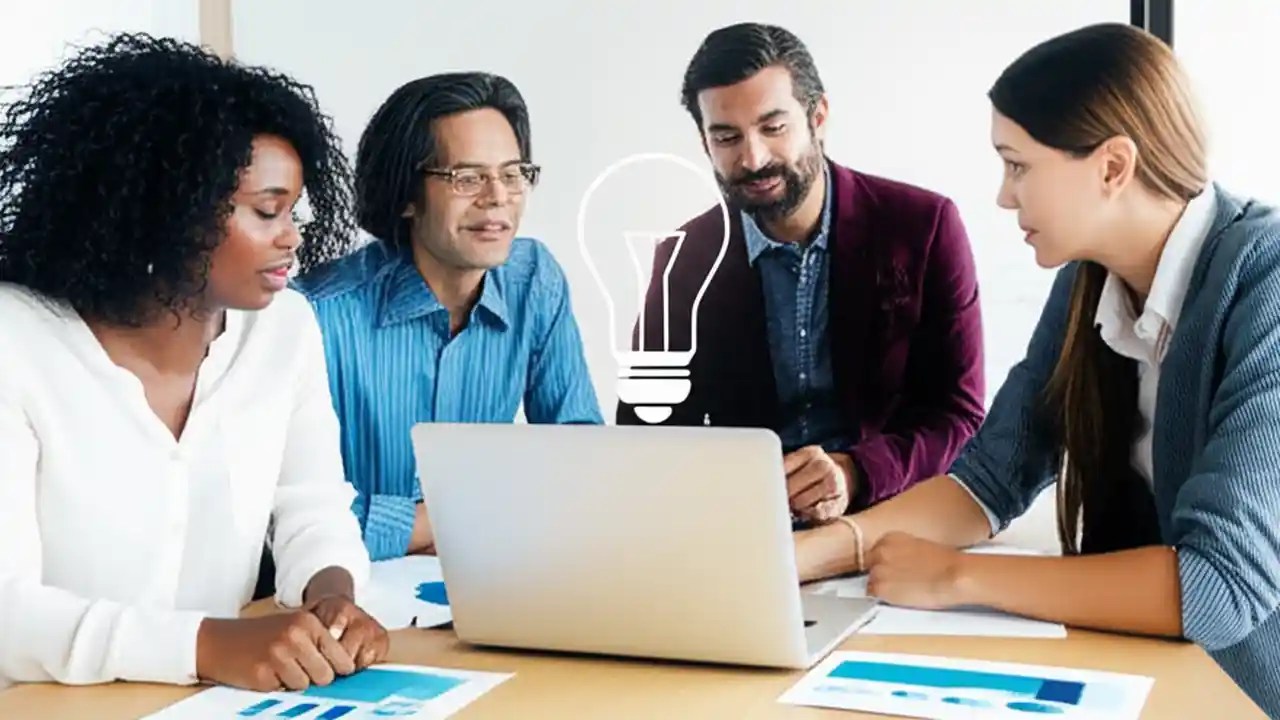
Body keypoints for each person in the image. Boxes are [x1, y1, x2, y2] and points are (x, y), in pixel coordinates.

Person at [793, 23, 1280, 715]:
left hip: (1241, 694)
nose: (1003, 195)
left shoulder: (1265, 283)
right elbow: (987, 482)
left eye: (1018, 165)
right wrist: (803, 560)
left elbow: (1217, 589)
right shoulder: (1090, 281)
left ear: (1113, 166)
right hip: (1139, 674)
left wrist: (957, 578)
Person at [0, 33, 388, 692]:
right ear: (165, 211)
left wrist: (333, 595)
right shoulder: (17, 340)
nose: (292, 236)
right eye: (267, 211)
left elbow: (314, 509)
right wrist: (207, 643)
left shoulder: (285, 329)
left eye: (295, 209)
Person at [617, 23, 985, 524]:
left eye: (774, 127)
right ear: (705, 144)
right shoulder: (682, 258)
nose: (753, 158)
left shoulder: (924, 226)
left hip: (891, 512)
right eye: (727, 137)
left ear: (819, 116)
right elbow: (647, 429)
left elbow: (956, 413)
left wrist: (855, 472)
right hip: (746, 523)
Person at [294, 72, 602, 562]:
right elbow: (280, 515)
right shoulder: (313, 316)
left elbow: (581, 461)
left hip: (494, 577)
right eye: (467, 178)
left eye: (512, 173)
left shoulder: (534, 282)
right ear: (407, 196)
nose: (497, 196)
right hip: (346, 596)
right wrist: (434, 524)